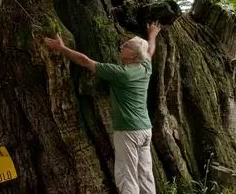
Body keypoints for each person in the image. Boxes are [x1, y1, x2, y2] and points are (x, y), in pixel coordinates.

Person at [43, 21, 162, 194]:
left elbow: (84, 61)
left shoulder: (121, 74)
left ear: (133, 56)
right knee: (145, 174)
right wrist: (152, 35)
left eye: (127, 45)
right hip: (145, 130)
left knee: (127, 176)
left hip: (128, 131)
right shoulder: (145, 67)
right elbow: (150, 51)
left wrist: (61, 48)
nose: (122, 46)